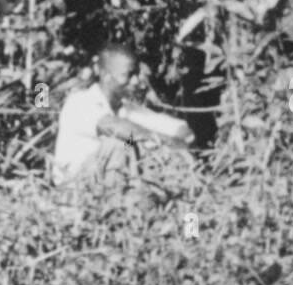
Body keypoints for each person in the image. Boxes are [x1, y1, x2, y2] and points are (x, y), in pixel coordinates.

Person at [51, 43, 194, 188]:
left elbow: (180, 128)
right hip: (75, 188)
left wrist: (179, 143)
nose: (136, 81)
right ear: (106, 75)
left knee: (136, 145)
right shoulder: (80, 102)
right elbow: (114, 127)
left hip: (109, 183)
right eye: (129, 75)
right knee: (120, 144)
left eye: (137, 74)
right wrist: (164, 141)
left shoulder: (128, 109)